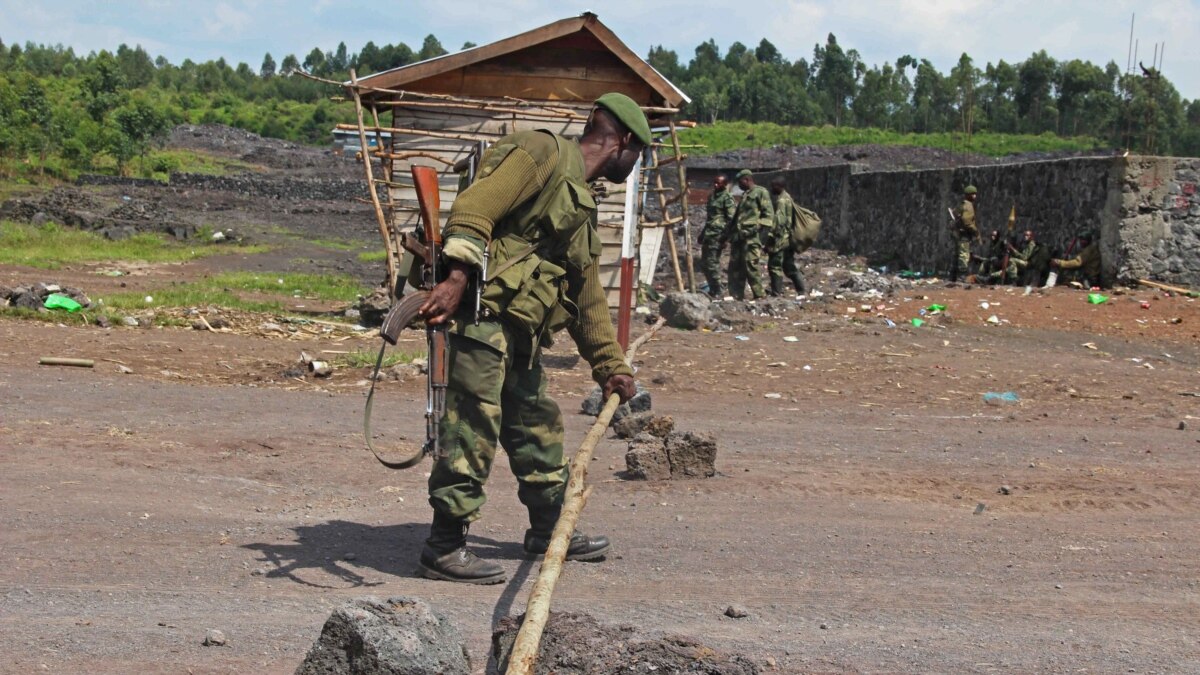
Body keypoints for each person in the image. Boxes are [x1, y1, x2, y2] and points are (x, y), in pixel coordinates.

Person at [413, 92, 645, 584]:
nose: (633, 162)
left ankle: (548, 530)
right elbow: (477, 206)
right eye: (637, 152)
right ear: (623, 140)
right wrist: (455, 280)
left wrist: (611, 364)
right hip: (484, 320)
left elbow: (585, 295)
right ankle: (444, 547)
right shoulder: (542, 154)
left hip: (521, 332)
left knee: (538, 427)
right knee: (472, 427)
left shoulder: (582, 203)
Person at [726, 169, 771, 300]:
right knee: (735, 268)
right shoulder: (745, 195)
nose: (738, 186)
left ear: (747, 179)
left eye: (740, 182)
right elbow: (737, 218)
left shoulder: (761, 192)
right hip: (738, 237)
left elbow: (768, 217)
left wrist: (756, 229)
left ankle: (759, 295)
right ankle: (736, 295)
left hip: (751, 238)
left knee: (751, 266)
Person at [766, 177, 808, 295]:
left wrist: (770, 240)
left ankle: (776, 292)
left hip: (781, 240)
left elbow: (779, 222)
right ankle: (801, 291)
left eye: (773, 186)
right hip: (788, 239)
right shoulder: (788, 198)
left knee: (774, 266)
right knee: (789, 266)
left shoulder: (782, 201)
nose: (771, 189)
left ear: (778, 186)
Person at [700, 174, 735, 298]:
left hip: (718, 235)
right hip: (709, 233)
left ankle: (718, 290)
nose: (715, 185)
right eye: (714, 182)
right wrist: (702, 234)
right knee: (704, 263)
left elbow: (731, 219)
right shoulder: (712, 196)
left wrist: (725, 237)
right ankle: (712, 289)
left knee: (712, 263)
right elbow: (710, 218)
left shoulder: (727, 198)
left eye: (718, 183)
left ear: (724, 184)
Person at [951, 185, 979, 282]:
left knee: (957, 254)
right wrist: (976, 232)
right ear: (968, 195)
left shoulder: (961, 204)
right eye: (973, 194)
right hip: (964, 234)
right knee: (964, 255)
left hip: (958, 233)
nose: (975, 196)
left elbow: (954, 214)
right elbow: (967, 222)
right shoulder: (968, 205)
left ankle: (953, 276)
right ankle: (961, 277)